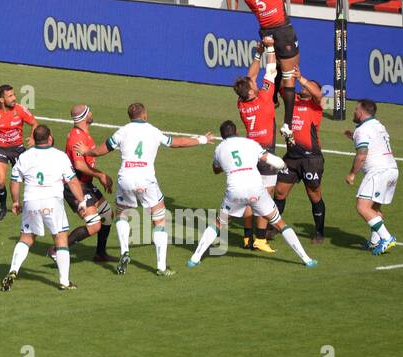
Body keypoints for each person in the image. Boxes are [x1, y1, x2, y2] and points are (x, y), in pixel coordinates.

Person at [89, 102, 214, 277]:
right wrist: (202, 139)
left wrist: (87, 152)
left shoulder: (122, 131)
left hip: (125, 177)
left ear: (130, 116)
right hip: (146, 179)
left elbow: (102, 150)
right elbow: (176, 143)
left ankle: (125, 251)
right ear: (145, 114)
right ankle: (161, 267)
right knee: (159, 219)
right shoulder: (153, 131)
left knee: (122, 214)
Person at [185, 121, 319, 270]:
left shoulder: (219, 149)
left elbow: (216, 170)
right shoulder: (250, 143)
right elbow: (274, 161)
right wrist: (283, 165)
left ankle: (194, 258)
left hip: (235, 191)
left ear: (222, 136)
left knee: (218, 223)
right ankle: (306, 259)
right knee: (279, 223)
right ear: (236, 132)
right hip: (256, 189)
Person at [0, 125, 85, 293]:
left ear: (34, 138)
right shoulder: (60, 156)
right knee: (60, 239)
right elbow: (72, 181)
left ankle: (13, 270)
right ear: (50, 138)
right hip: (52, 201)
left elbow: (15, 181)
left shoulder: (24, 156)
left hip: (31, 200)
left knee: (26, 238)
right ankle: (64, 281)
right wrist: (81, 202)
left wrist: (15, 202)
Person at [235, 0, 300, 138]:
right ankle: (288, 123)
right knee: (290, 75)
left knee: (277, 66)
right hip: (283, 30)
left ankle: (272, 97)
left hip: (265, 32)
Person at [233, 40, 282, 253]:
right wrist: (270, 49)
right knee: (265, 197)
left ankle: (247, 238)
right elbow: (271, 69)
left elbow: (250, 77)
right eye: (253, 84)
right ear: (252, 91)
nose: (255, 82)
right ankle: (261, 239)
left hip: (249, 151)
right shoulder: (263, 98)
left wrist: (256, 55)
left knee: (248, 197)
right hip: (266, 152)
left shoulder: (242, 103)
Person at [57, 104, 114, 262]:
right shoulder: (77, 137)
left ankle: (100, 253)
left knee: (107, 215)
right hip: (76, 185)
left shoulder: (83, 134)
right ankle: (58, 249)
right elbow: (79, 165)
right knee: (94, 225)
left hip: (86, 183)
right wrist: (101, 175)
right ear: (85, 117)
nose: (92, 113)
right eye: (89, 111)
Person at [344, 99, 400, 255]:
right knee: (374, 208)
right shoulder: (378, 124)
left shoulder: (362, 131)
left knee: (362, 206)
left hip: (378, 171)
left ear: (361, 113)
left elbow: (362, 155)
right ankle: (375, 242)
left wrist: (352, 174)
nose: (354, 112)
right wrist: (353, 136)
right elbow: (374, 140)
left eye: (356, 109)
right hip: (392, 170)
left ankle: (387, 238)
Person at [0, 84, 36, 222]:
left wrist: (32, 137)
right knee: (0, 181)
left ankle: (25, 205)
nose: (14, 98)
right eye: (10, 96)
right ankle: (3, 207)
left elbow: (35, 123)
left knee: (29, 179)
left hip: (18, 149)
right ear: (1, 100)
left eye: (14, 95)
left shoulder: (20, 109)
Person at [280, 72, 328, 245]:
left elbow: (318, 94)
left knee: (314, 195)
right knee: (279, 192)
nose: (304, 88)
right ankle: (272, 228)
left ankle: (319, 232)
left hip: (311, 159)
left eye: (310, 86)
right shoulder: (293, 101)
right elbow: (281, 87)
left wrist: (301, 78)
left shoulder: (316, 105)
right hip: (291, 157)